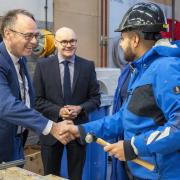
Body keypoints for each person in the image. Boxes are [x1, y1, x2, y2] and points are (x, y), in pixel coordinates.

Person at [59, 2, 180, 180]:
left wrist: (133, 147)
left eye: (123, 38)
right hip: (140, 171)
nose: (121, 45)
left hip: (160, 173)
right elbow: (124, 119)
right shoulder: (141, 70)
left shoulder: (165, 68)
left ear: (135, 39)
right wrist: (82, 130)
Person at [0, 9, 71, 164]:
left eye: (35, 36)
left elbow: (27, 100)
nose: (34, 42)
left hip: (17, 141)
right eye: (28, 36)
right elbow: (6, 105)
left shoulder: (20, 59)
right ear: (7, 33)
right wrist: (51, 127)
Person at [33, 27, 100, 180]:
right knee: (51, 175)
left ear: (76, 42)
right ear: (56, 43)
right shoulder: (43, 66)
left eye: (72, 41)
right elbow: (37, 100)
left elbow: (95, 99)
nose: (68, 45)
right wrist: (58, 111)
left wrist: (80, 108)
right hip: (51, 130)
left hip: (77, 129)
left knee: (76, 175)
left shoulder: (87, 66)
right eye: (64, 41)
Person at [110, 64, 131, 180]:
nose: (121, 45)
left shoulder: (158, 68)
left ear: (136, 44)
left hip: (140, 142)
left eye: (123, 43)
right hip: (123, 132)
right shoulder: (128, 70)